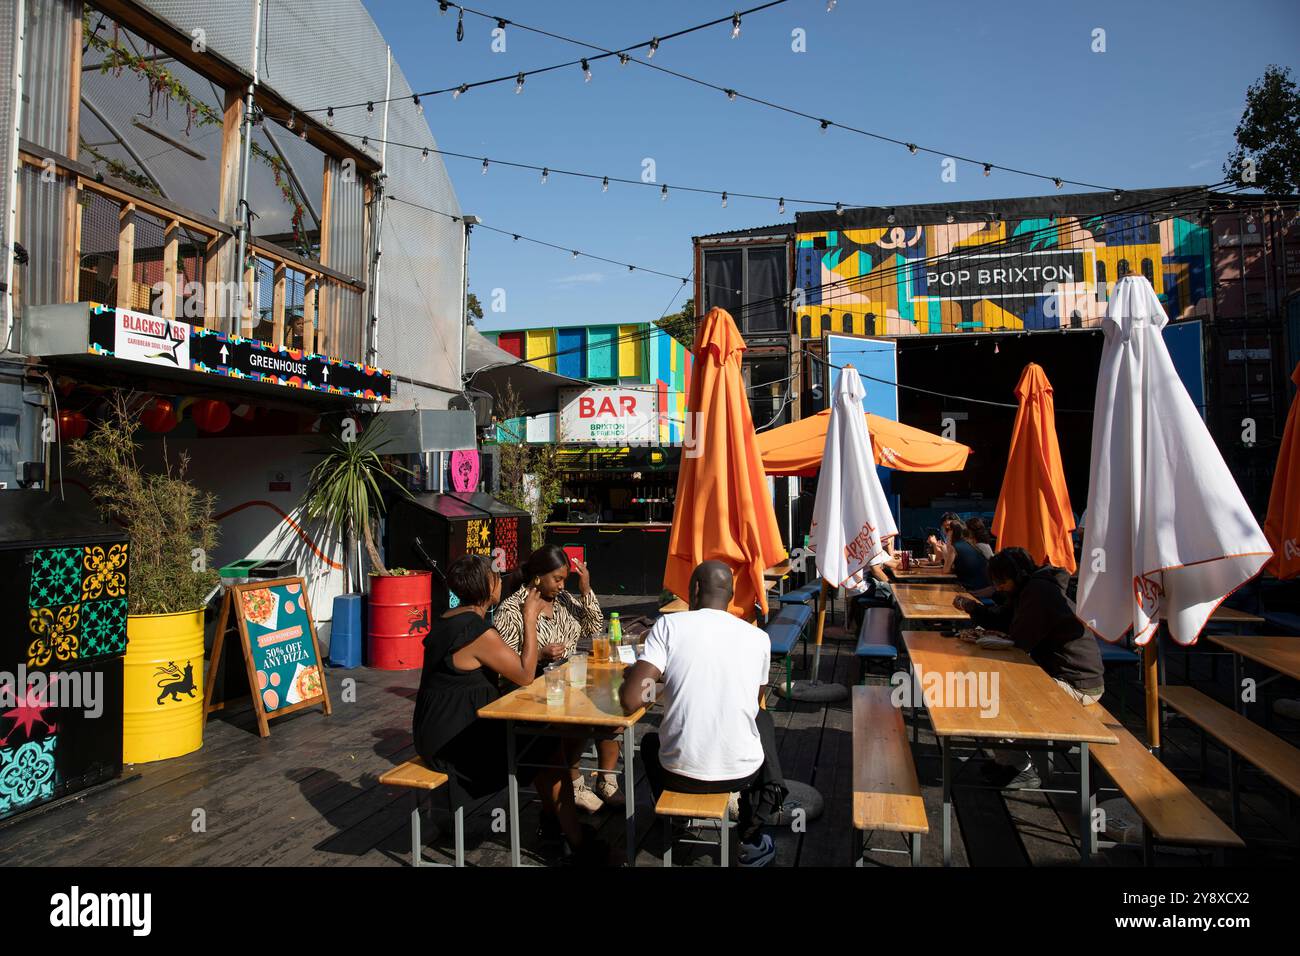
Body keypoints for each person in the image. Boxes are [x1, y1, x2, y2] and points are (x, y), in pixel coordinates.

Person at [411, 554, 605, 862]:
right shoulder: (479, 633)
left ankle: (557, 824)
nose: (501, 581)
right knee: (547, 749)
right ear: (486, 586)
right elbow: (525, 675)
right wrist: (529, 618)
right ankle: (579, 843)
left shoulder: (448, 620)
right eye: (496, 577)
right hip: (455, 742)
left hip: (432, 732)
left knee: (541, 742)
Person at [620, 560, 788, 867]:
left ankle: (678, 820)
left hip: (679, 774)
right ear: (731, 594)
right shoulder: (758, 638)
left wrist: (644, 678)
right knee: (762, 720)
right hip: (743, 774)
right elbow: (755, 700)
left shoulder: (670, 626)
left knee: (649, 744)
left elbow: (632, 700)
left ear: (694, 590)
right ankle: (750, 840)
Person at [952, 547, 1105, 790]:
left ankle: (1020, 767)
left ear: (1018, 575)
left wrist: (989, 629)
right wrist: (974, 609)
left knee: (993, 697)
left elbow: (1019, 641)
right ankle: (1006, 760)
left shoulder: (1039, 592)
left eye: (1002, 581)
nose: (999, 587)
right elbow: (1006, 622)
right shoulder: (1032, 588)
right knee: (987, 688)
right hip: (1061, 675)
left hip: (1077, 685)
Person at [494, 545, 623, 812]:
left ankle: (606, 780)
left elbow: (593, 627)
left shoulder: (563, 600)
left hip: (571, 683)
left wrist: (585, 589)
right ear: (538, 577)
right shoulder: (512, 609)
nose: (563, 585)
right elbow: (504, 665)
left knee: (613, 711)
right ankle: (573, 783)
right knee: (579, 724)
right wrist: (540, 654)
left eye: (566, 579)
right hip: (536, 692)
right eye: (558, 579)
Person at [929, 518, 991, 594]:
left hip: (972, 589)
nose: (946, 534)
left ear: (952, 532)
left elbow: (946, 570)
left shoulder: (954, 547)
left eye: (948, 531)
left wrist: (945, 550)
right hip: (984, 586)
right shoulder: (970, 544)